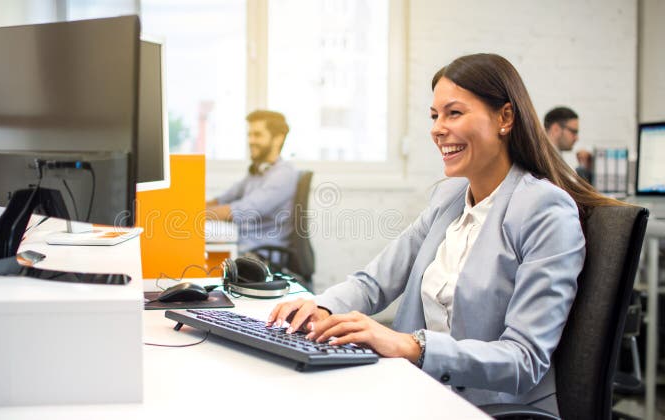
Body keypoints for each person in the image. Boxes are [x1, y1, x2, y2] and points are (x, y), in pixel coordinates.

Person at [268, 54, 618, 413]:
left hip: (490, 407)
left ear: (505, 117)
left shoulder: (545, 210)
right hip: (422, 389)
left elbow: (523, 359)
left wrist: (412, 346)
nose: (437, 128)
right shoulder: (449, 197)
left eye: (454, 113)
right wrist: (322, 307)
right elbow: (374, 282)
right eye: (434, 116)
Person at [206, 110, 299, 253]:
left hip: (259, 255)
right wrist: (190, 209)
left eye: (257, 135)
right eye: (249, 135)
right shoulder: (257, 170)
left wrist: (193, 217)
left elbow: (243, 210)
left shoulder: (283, 174)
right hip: (242, 245)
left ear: (278, 139)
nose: (250, 140)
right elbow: (222, 200)